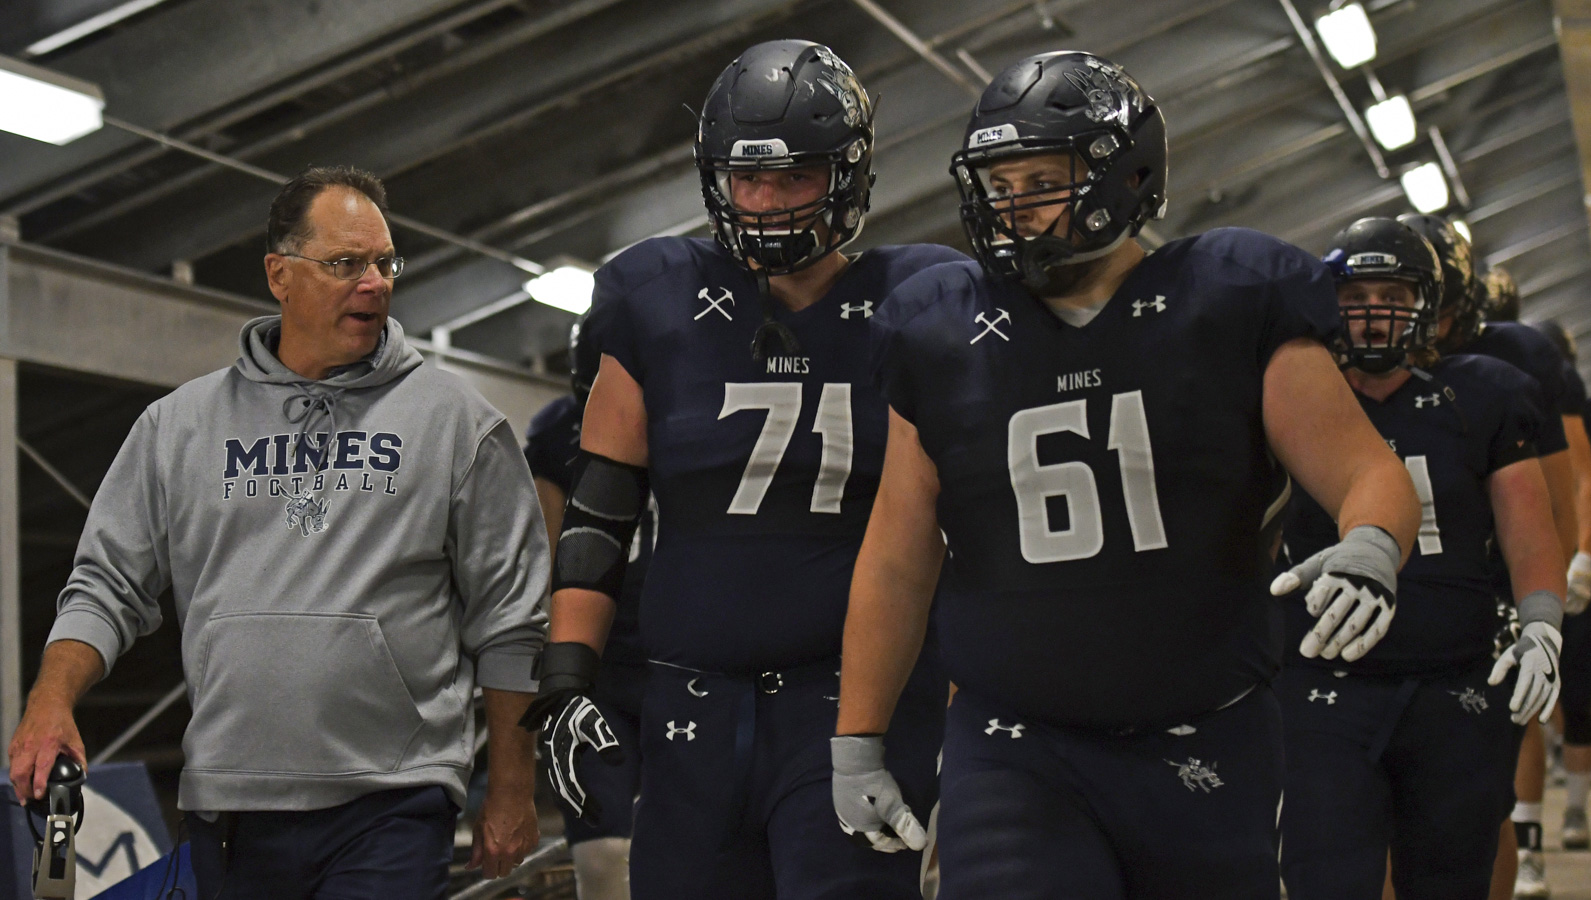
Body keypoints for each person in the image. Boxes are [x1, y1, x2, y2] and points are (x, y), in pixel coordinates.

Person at [832, 51, 1420, 898]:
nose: (1014, 208)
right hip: (1013, 743)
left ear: (1128, 175)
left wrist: (1371, 545)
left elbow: (1368, 470)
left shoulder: (1229, 297)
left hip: (1208, 732)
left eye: (1043, 182)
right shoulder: (940, 330)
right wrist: (856, 740)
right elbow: (897, 555)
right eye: (1001, 184)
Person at [6, 166, 548, 898]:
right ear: (279, 275)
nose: (374, 284)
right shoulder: (180, 426)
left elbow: (511, 621)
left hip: (393, 801)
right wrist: (50, 700)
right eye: (345, 263)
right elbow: (107, 584)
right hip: (231, 806)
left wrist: (511, 789)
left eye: (385, 263)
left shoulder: (458, 423)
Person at [522, 40, 965, 899]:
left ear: (846, 174)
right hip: (693, 708)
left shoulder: (922, 301)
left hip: (858, 705)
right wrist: (568, 677)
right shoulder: (653, 295)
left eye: (794, 177)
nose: (765, 202)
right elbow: (602, 510)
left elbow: (968, 532)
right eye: (747, 178)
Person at [1275, 217, 1564, 898]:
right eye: (1355, 296)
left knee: (1451, 877)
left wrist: (1544, 625)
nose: (1373, 312)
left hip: (1452, 677)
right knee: (1327, 875)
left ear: (1428, 305)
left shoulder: (1484, 394)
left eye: (1393, 295)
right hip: (1326, 681)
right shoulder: (1295, 394)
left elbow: (1528, 527)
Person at [1399, 213, 1576, 898]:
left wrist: (1544, 605)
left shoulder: (1512, 362)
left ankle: (1522, 851)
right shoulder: (1348, 359)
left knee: (1481, 796)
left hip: (1488, 586)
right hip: (1401, 590)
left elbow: (1554, 499)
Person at [522, 311, 655, 900]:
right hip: (597, 660)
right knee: (603, 855)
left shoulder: (691, 406)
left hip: (682, 655)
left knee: (698, 846)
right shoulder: (559, 429)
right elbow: (547, 548)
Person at [1528, 317, 1591, 852]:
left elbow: (1585, 484)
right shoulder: (1501, 405)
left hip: (1573, 560)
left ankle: (1574, 807)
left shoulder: (1578, 411)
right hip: (1529, 560)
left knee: (1576, 689)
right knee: (1527, 698)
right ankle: (1526, 837)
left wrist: (1584, 557)